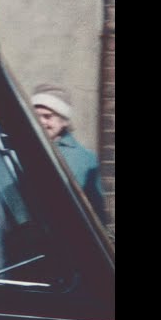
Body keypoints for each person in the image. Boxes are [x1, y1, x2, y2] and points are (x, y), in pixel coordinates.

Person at [31, 83, 106, 220]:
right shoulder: (17, 149)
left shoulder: (85, 161)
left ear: (64, 121)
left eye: (48, 116)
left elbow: (97, 213)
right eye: (36, 116)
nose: (41, 122)